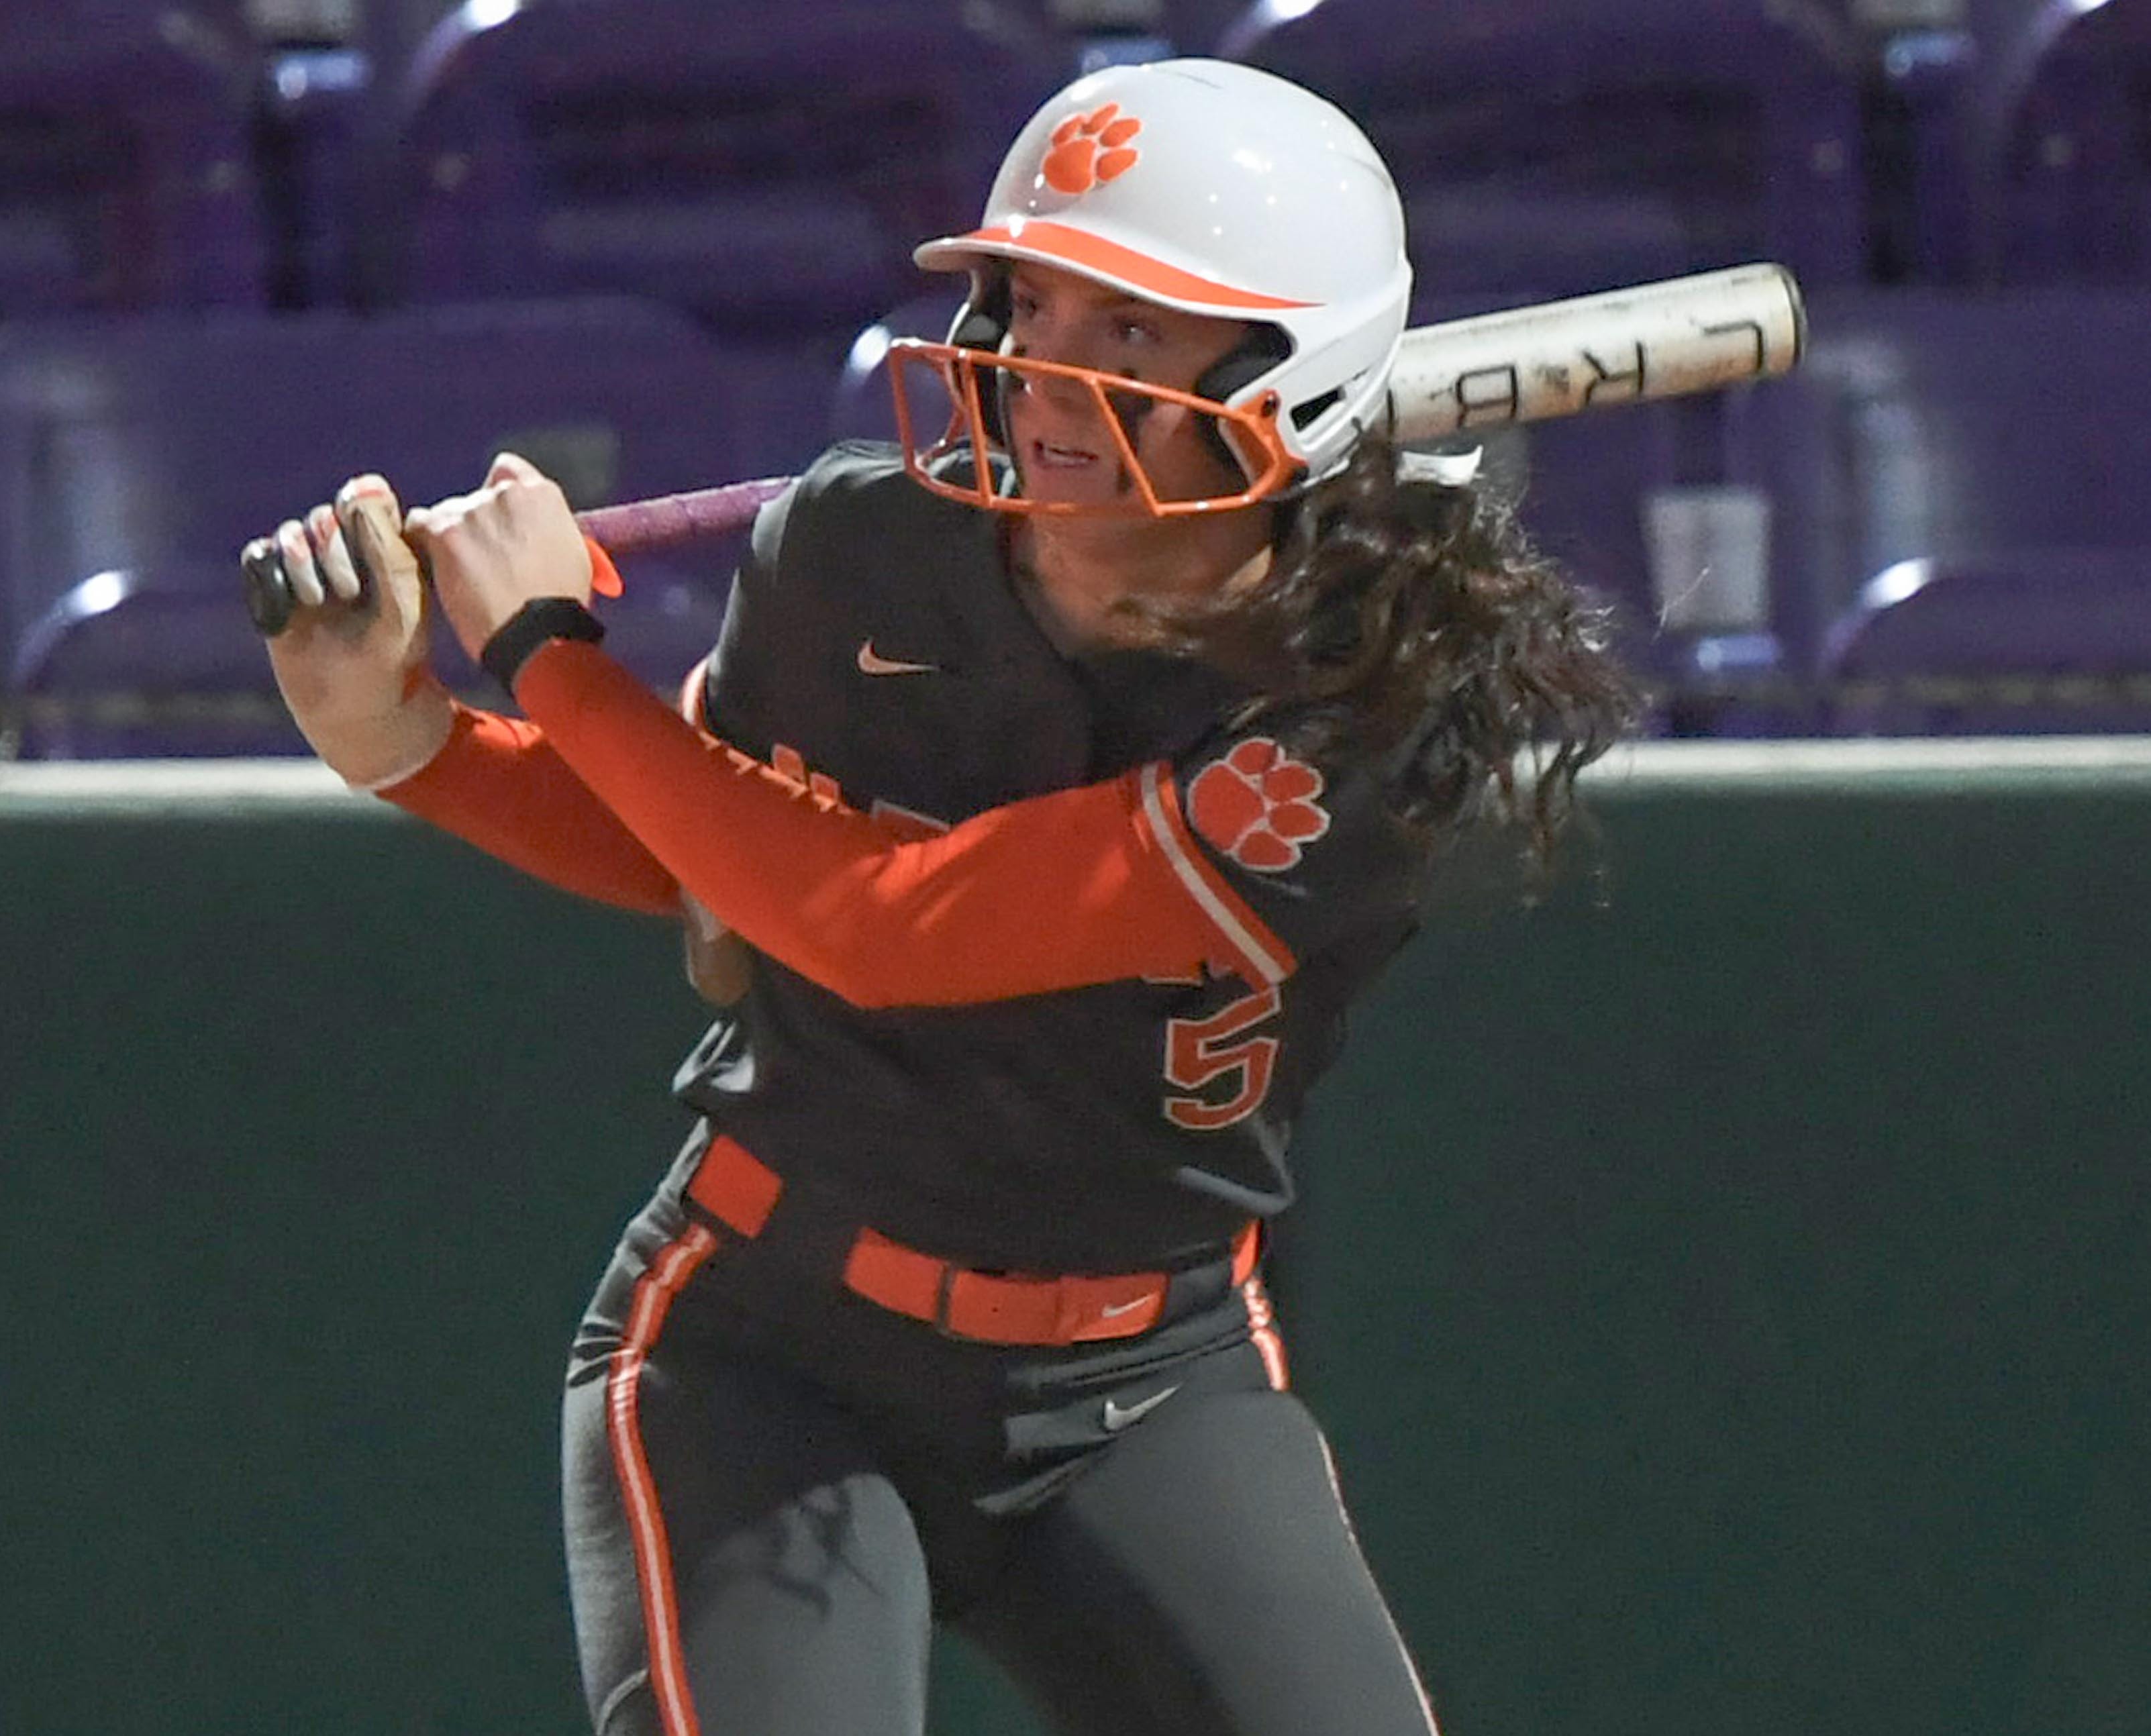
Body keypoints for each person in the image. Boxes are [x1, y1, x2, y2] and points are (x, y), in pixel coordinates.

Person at [261, 57, 1642, 1736]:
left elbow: (888, 925)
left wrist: (549, 650)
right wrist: (411, 739)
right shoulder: (860, 542)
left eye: (1132, 331)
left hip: (1144, 1371)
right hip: (771, 1345)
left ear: (1295, 381)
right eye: (1033, 305)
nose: (1052, 375)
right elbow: (699, 846)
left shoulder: (1367, 704)